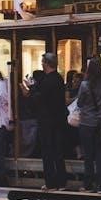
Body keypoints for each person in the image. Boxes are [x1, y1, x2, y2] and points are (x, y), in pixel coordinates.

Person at [76, 57, 101, 193]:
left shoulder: (85, 85)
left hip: (87, 122)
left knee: (88, 155)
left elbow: (79, 103)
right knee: (100, 154)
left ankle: (88, 184)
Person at [36, 52, 67, 190]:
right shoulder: (59, 79)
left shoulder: (47, 81)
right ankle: (61, 182)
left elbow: (41, 100)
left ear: (47, 64)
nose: (42, 64)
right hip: (59, 119)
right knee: (58, 152)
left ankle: (51, 182)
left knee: (48, 152)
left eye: (43, 62)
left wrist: (29, 93)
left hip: (47, 121)